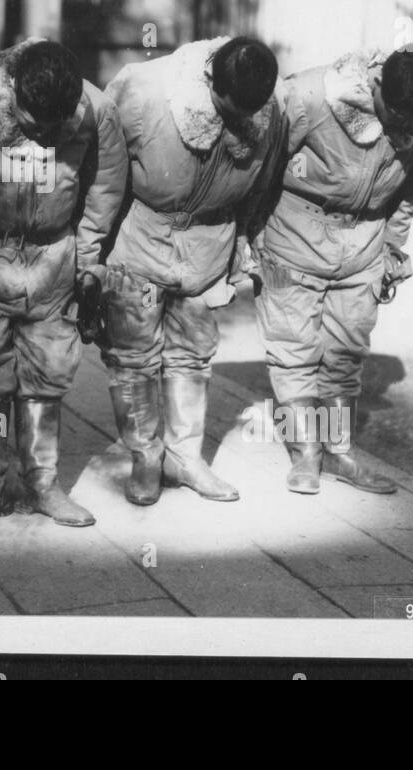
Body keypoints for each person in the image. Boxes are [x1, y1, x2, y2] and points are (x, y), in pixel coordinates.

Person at [0, 40, 127, 535]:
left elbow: (104, 186)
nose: (42, 135)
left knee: (47, 375)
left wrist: (88, 257)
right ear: (12, 87)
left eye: (52, 128)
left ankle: (42, 484)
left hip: (54, 260)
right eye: (32, 122)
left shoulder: (96, 109)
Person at [253, 45, 413, 495]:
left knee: (346, 352)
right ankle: (306, 453)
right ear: (377, 85)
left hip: (364, 246)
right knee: (293, 350)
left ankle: (340, 453)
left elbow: (412, 191)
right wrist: (252, 238)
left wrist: (391, 248)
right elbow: (261, 168)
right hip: (293, 237)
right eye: (397, 117)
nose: (405, 129)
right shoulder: (308, 96)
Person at [99, 37, 286, 506]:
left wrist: (243, 245)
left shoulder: (269, 109)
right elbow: (100, 167)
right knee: (133, 355)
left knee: (193, 354)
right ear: (209, 80)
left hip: (208, 249)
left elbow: (261, 186)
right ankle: (145, 455)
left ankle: (185, 458)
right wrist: (93, 254)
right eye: (227, 108)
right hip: (140, 239)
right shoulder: (142, 87)